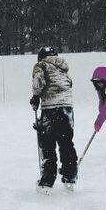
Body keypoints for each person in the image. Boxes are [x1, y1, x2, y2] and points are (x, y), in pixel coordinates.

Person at [30, 46, 78, 194]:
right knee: (66, 143)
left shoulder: (41, 65)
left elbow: (39, 81)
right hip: (67, 108)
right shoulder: (64, 69)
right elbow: (69, 84)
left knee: (47, 144)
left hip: (51, 108)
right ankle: (70, 176)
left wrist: (36, 97)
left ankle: (47, 181)